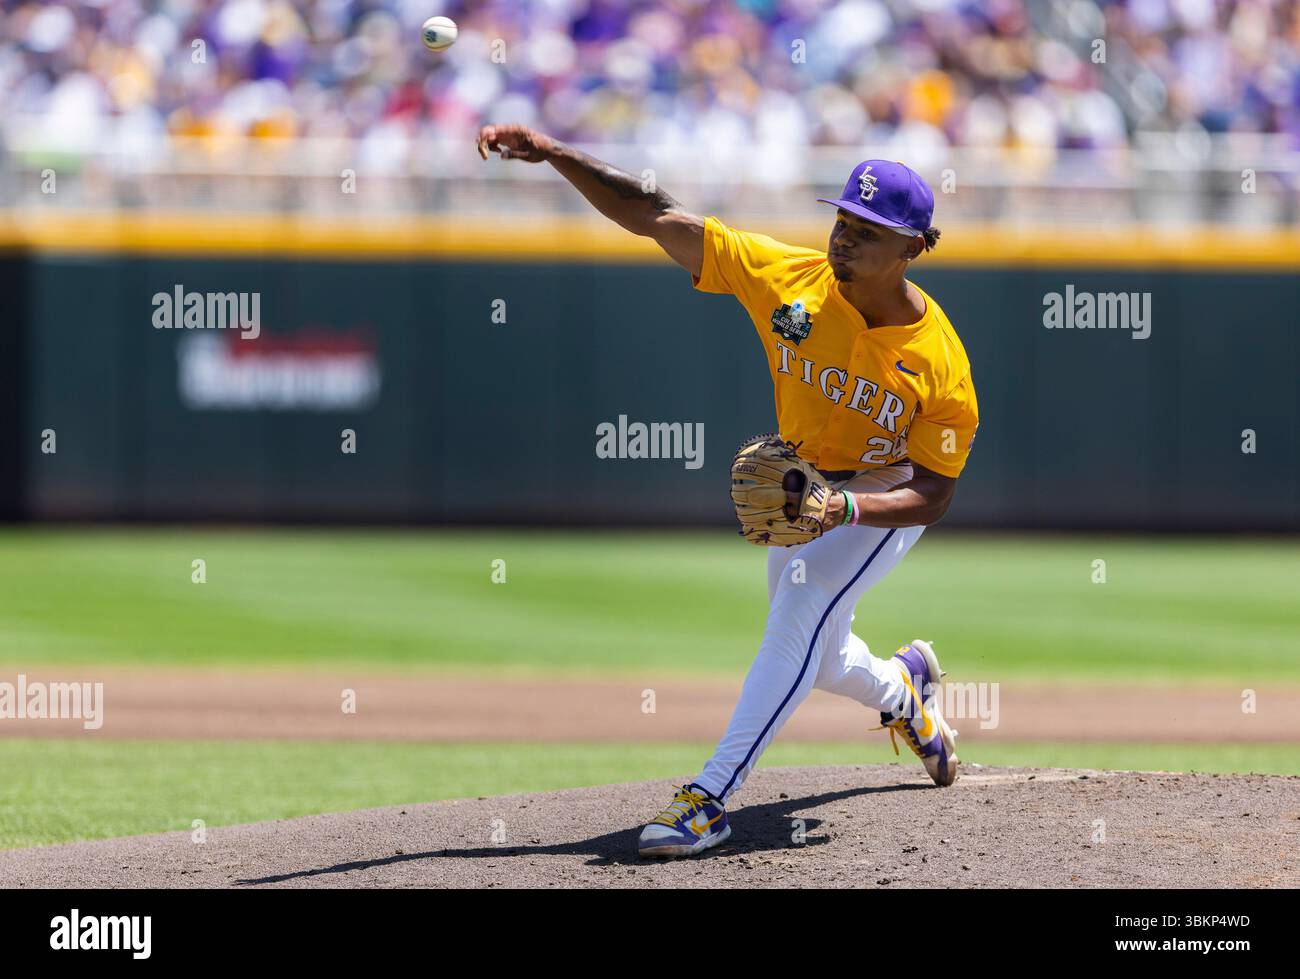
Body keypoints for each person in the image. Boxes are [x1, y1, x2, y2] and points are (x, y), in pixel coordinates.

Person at [477, 124, 979, 859]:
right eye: (841, 220)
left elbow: (934, 493)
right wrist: (556, 153)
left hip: (883, 491)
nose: (844, 239)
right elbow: (655, 213)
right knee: (824, 654)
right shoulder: (789, 278)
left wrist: (849, 508)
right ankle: (907, 691)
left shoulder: (939, 363)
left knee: (800, 611)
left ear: (913, 248)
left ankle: (707, 799)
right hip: (805, 484)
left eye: (867, 232)